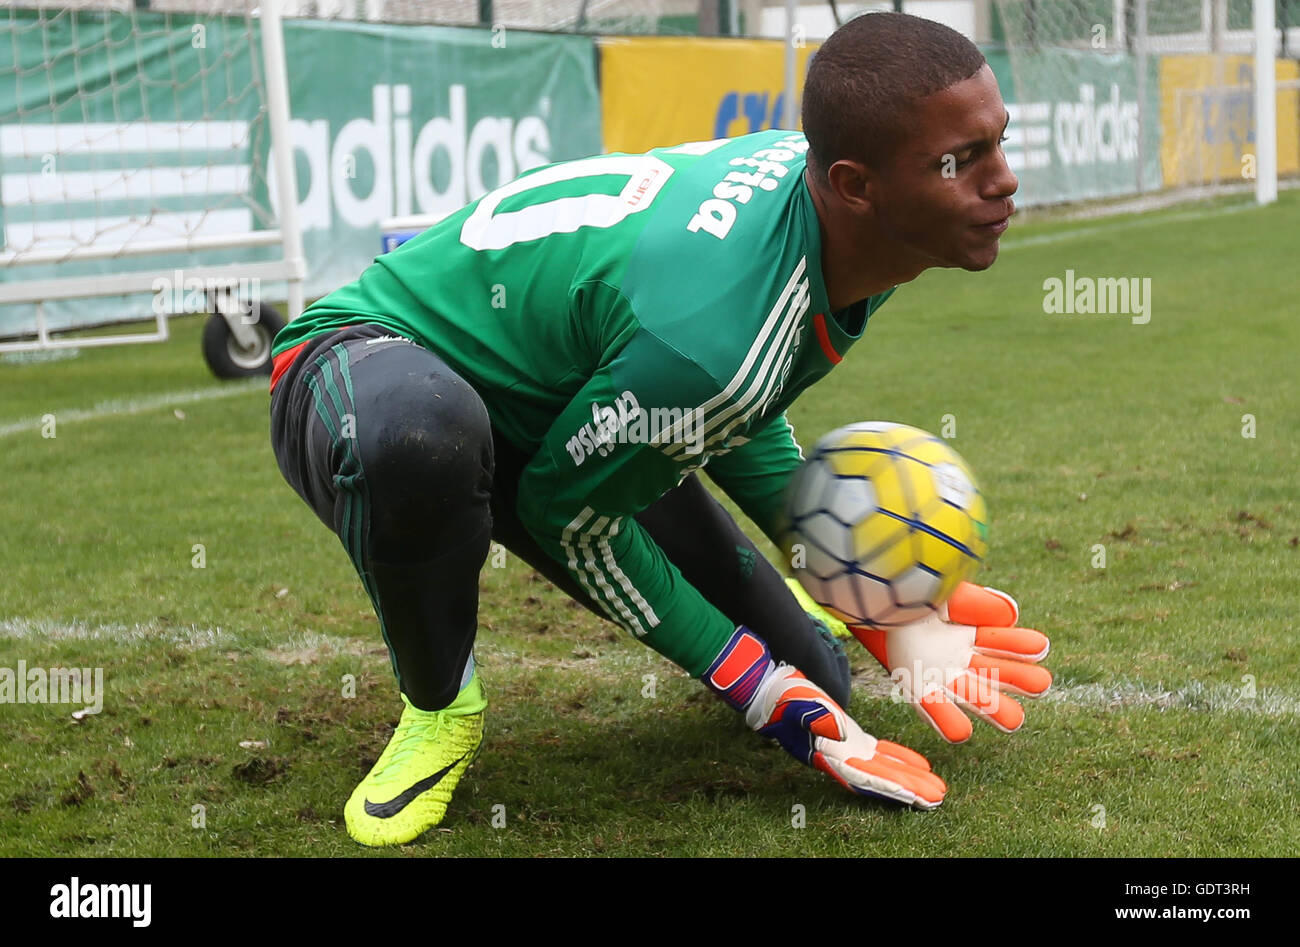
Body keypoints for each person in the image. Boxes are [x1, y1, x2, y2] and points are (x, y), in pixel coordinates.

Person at [267, 11, 1051, 848]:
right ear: (856, 184)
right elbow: (573, 515)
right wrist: (760, 690)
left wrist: (859, 582)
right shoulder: (710, 333)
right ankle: (440, 705)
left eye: (997, 143)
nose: (1002, 180)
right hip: (363, 360)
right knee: (421, 437)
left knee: (820, 670)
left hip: (574, 398)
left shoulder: (840, 207)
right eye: (960, 161)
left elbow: (737, 393)